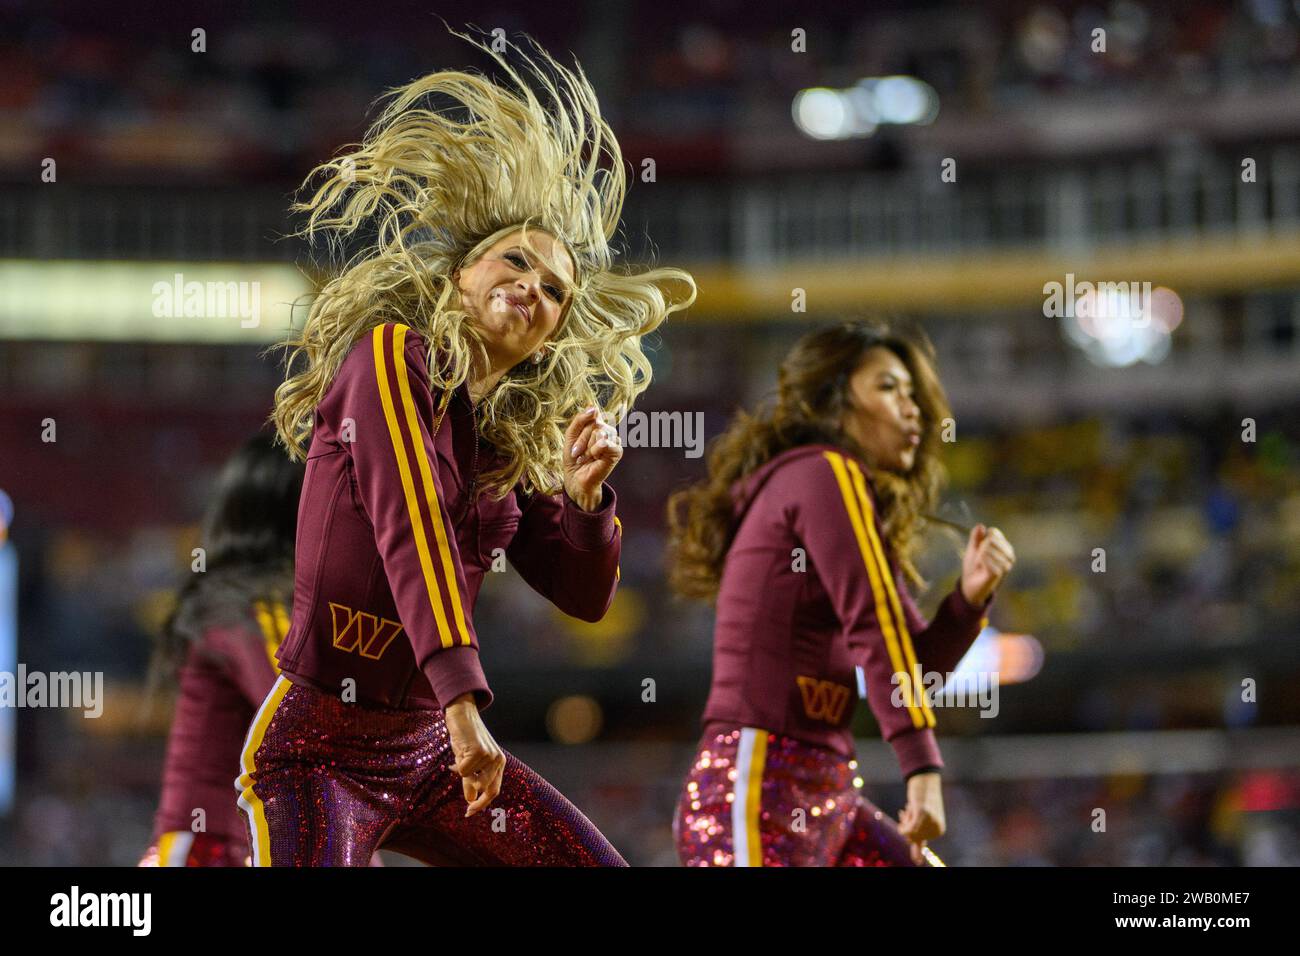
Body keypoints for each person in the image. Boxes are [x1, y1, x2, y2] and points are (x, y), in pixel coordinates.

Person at [237, 26, 695, 866]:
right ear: (459, 275)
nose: (534, 287)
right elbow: (410, 528)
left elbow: (582, 596)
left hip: (434, 748)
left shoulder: (512, 434)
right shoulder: (388, 360)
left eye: (555, 292)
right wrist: (461, 703)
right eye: (516, 262)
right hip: (321, 751)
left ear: (554, 332)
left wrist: (590, 506)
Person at [666, 320, 1015, 866]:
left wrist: (967, 603)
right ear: (833, 402)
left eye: (913, 393)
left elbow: (913, 667)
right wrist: (922, 771)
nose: (913, 408)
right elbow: (874, 626)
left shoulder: (828, 489)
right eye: (888, 387)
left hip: (827, 794)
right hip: (759, 787)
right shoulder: (824, 472)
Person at [140, 431, 302, 866]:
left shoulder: (237, 600)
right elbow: (297, 713)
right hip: (212, 853)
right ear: (295, 509)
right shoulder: (250, 605)